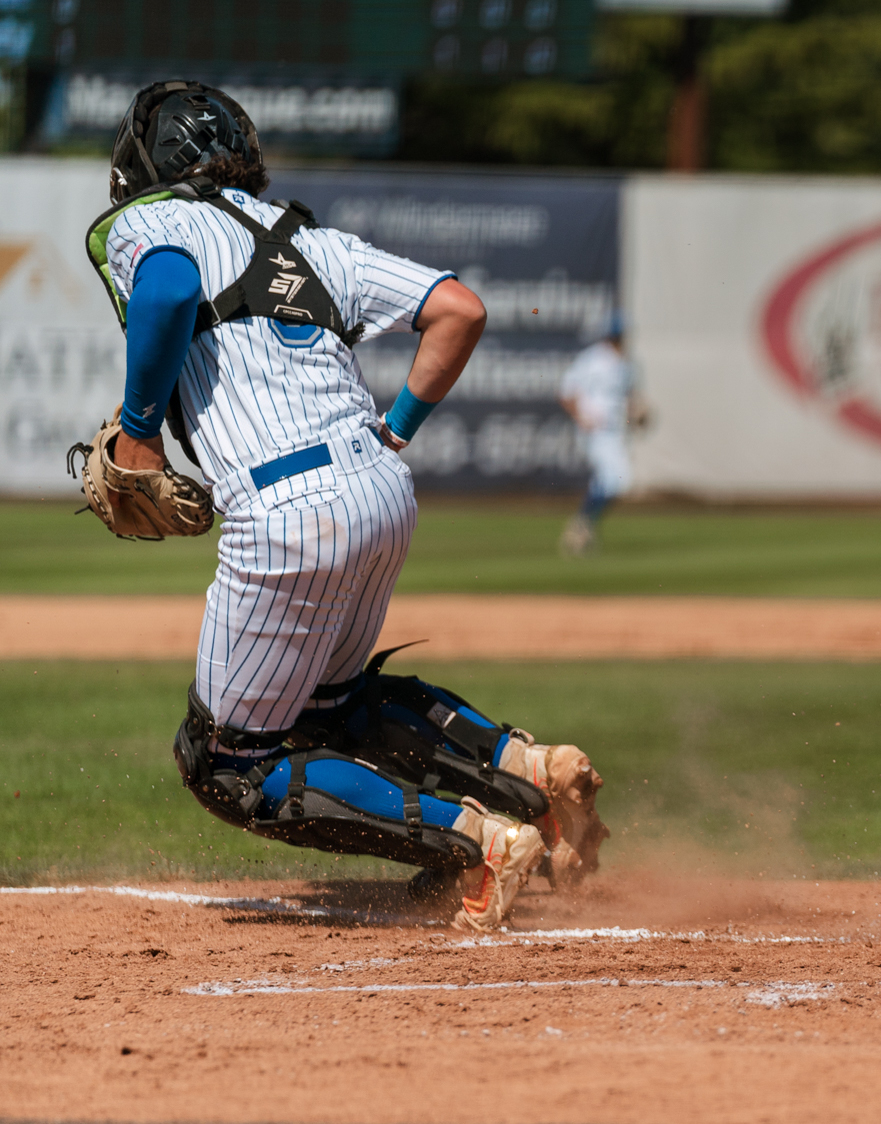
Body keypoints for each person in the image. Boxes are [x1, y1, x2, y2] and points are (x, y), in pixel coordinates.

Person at [84, 80, 606, 930]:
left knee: (231, 762)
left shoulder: (156, 221)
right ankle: (532, 777)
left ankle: (477, 841)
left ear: (145, 166)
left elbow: (171, 292)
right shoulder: (310, 240)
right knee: (338, 709)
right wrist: (395, 432)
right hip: (378, 489)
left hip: (286, 514)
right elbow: (459, 311)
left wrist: (141, 428)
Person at [558, 313, 646, 556]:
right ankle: (581, 525)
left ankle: (583, 526)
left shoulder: (628, 365)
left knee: (610, 481)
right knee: (619, 479)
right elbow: (566, 392)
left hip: (616, 431)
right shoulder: (592, 359)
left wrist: (637, 416)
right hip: (596, 429)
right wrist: (580, 416)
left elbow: (632, 401)